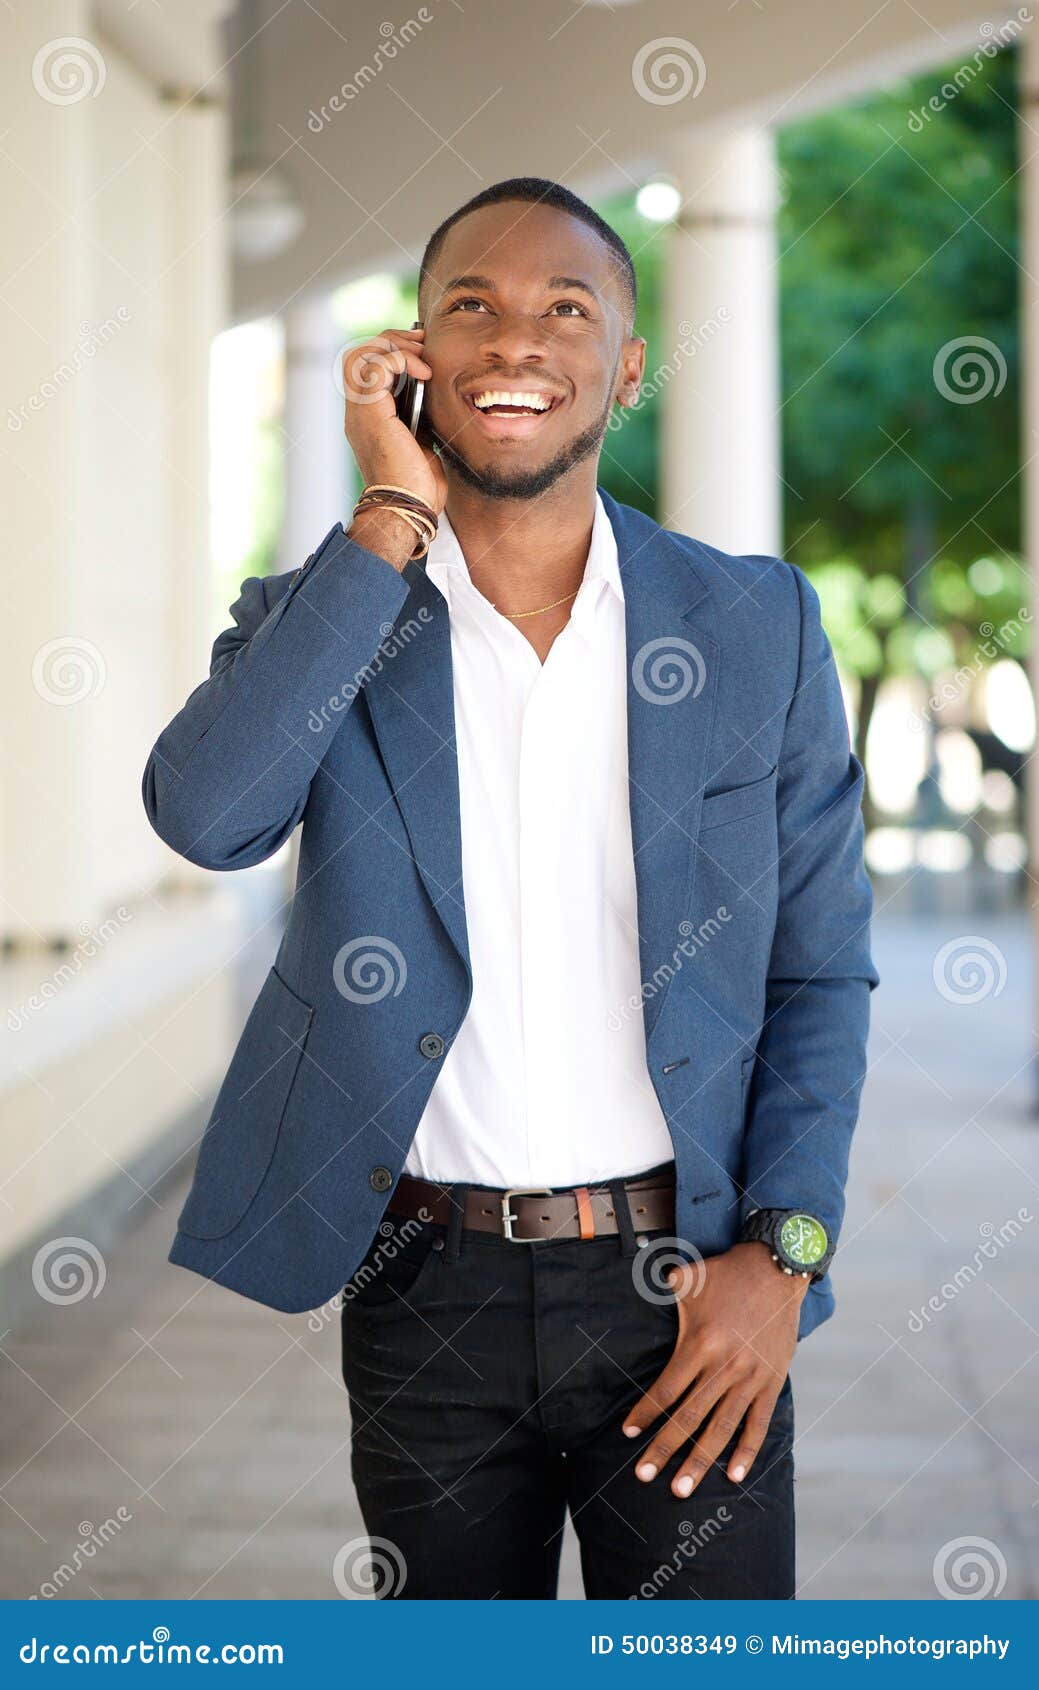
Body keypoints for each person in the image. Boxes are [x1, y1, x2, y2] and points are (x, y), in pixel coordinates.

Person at [142, 176, 877, 1600]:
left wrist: (784, 1253)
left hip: (690, 1282)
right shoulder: (333, 611)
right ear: (414, 350)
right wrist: (383, 518)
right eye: (471, 305)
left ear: (630, 365)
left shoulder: (756, 625)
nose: (515, 341)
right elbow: (206, 816)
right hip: (430, 1280)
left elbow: (819, 969)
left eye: (567, 309)